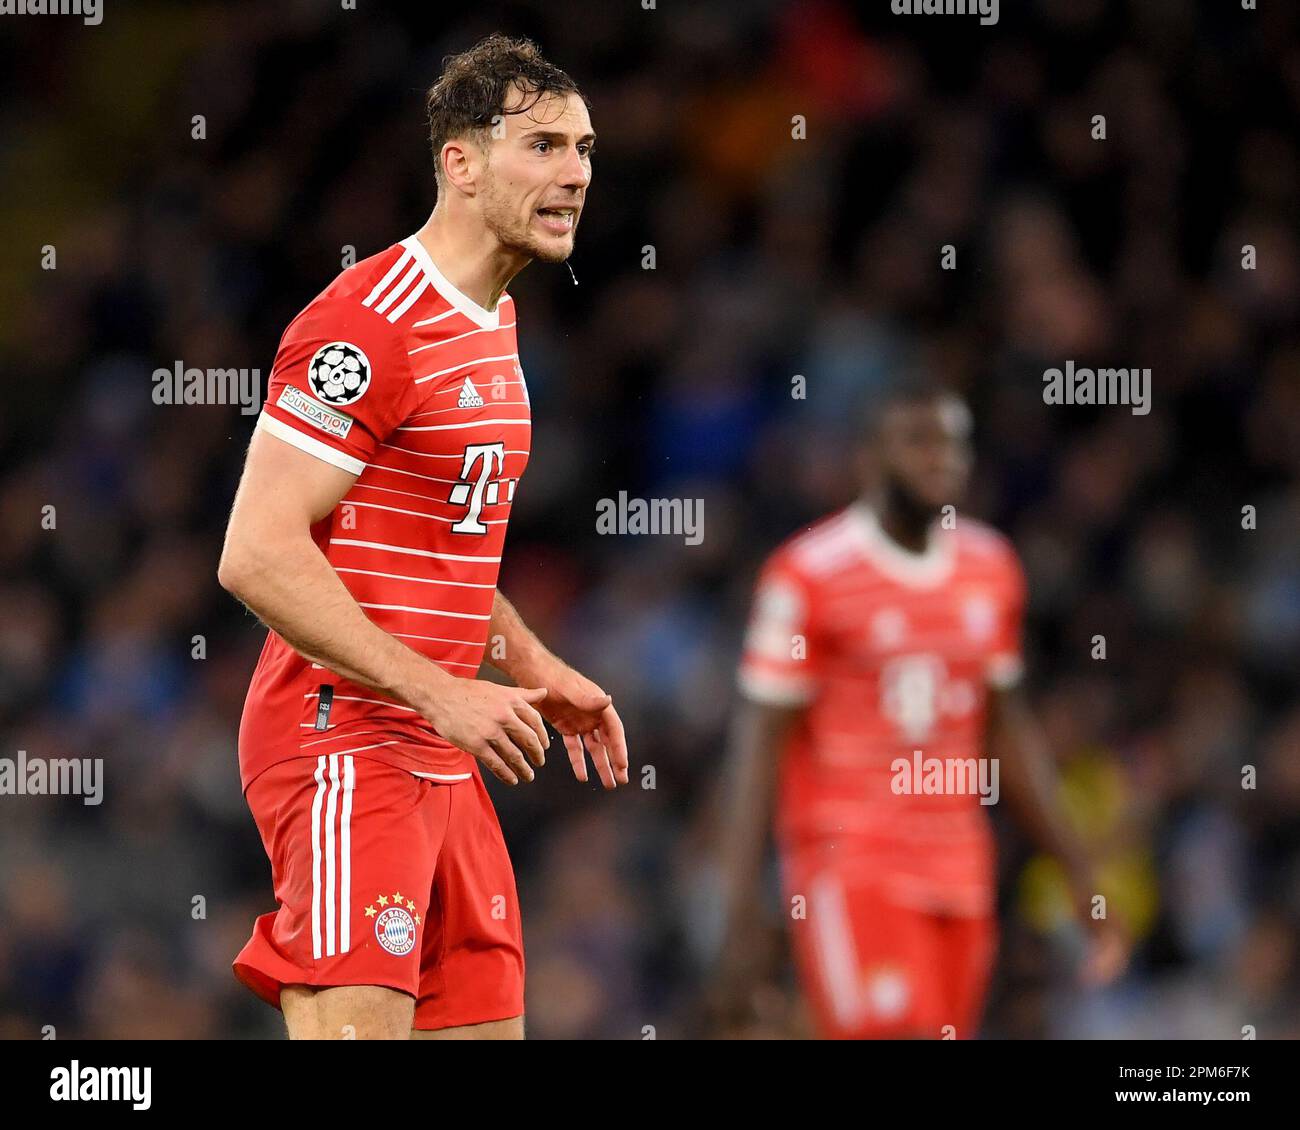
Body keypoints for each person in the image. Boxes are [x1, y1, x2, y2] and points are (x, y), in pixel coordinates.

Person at [218, 34, 628, 1041]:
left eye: (582, 149)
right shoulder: (366, 325)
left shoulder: (496, 322)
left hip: (444, 754)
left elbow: (439, 549)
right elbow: (257, 551)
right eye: (541, 145)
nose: (574, 172)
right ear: (461, 163)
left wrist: (527, 657)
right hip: (343, 743)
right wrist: (443, 689)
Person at [715, 378, 1126, 1038]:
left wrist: (1079, 872)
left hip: (959, 869)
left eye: (954, 443)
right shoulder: (808, 575)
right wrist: (734, 911)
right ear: (870, 456)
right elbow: (757, 744)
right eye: (918, 441)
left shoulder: (990, 568)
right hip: (850, 863)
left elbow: (1007, 731)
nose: (940, 458)